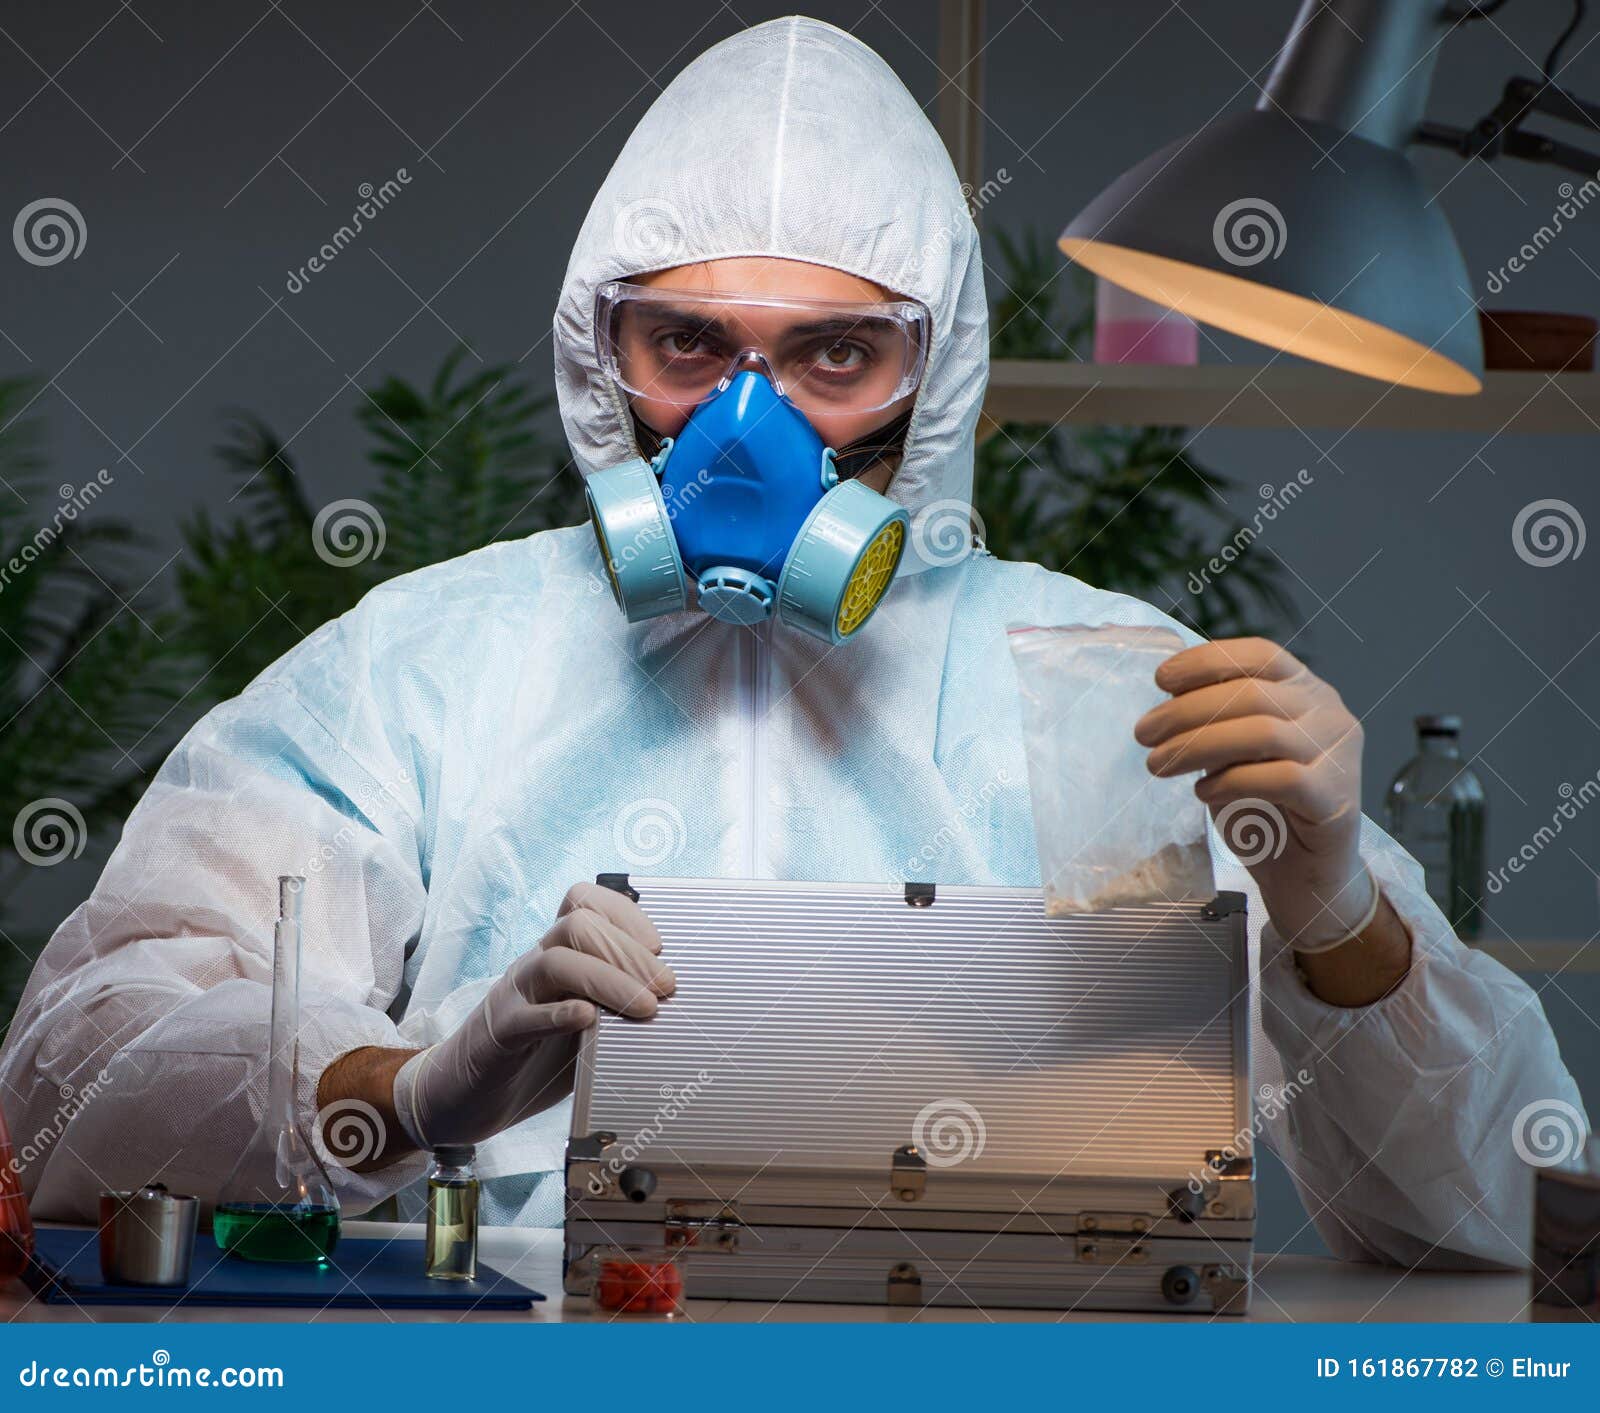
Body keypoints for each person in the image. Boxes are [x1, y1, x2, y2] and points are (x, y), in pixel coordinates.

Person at [0, 16, 1583, 1265]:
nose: (746, 428)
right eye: (688, 343)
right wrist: (401, 1095)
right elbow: (75, 1070)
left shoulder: (1120, 690)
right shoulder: (423, 668)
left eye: (835, 354)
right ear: (597, 350)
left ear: (934, 369)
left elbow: (1504, 1218)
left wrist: (1337, 912)